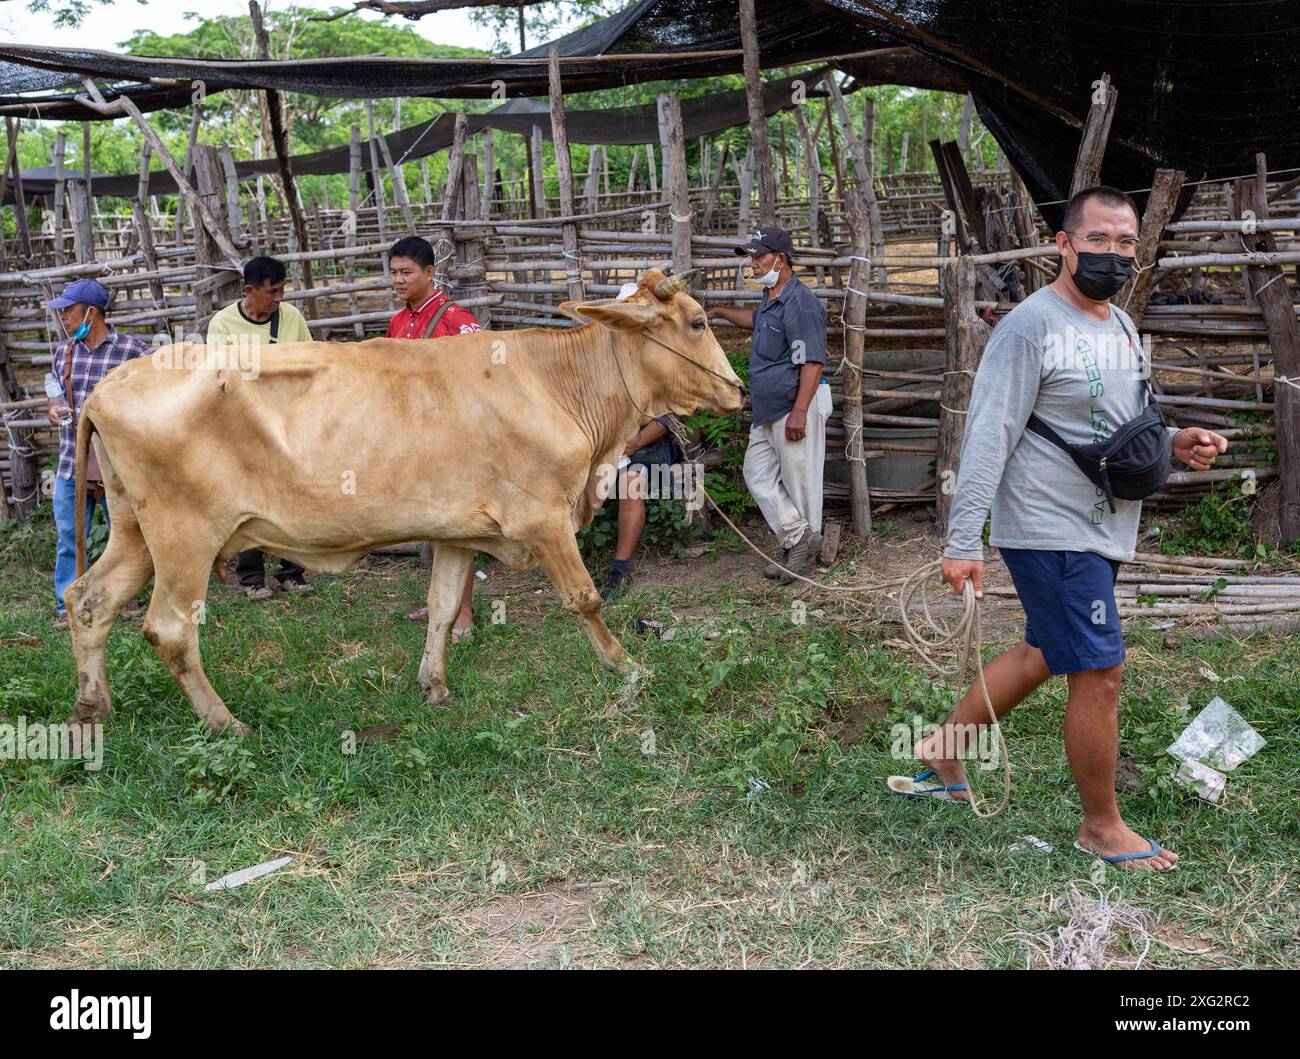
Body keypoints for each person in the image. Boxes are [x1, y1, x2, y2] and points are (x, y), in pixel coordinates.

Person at [926, 185, 1228, 872]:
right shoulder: (1029, 327)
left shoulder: (1117, 324)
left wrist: (1177, 439)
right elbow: (987, 435)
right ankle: (1101, 826)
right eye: (1098, 240)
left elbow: (1119, 421)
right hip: (1050, 526)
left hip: (1102, 524)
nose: (1114, 254)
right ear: (1063, 244)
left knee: (1041, 650)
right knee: (1099, 670)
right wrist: (962, 541)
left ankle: (944, 748)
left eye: (1126, 244)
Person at [710, 226, 831, 583]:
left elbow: (812, 361)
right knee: (757, 473)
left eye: (759, 257)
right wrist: (718, 310)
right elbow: (755, 321)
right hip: (768, 409)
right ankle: (799, 539)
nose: (753, 264)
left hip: (794, 406)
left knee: (799, 482)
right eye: (751, 257)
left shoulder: (800, 302)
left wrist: (798, 411)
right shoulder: (771, 298)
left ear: (781, 259)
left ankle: (802, 556)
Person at [387, 236, 483, 641]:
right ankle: (438, 602)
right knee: (432, 524)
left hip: (453, 440)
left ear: (429, 273)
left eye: (406, 272)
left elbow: (484, 381)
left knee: (458, 526)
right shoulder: (397, 322)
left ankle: (464, 612)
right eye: (393, 272)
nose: (397, 280)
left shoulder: (457, 321)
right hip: (414, 440)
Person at [206, 255, 316, 600]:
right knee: (249, 499)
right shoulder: (222, 324)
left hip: (288, 423)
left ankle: (292, 572)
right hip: (244, 426)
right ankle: (252, 578)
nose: (279, 298)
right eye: (273, 291)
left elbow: (310, 363)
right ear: (249, 290)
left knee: (291, 496)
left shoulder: (292, 318)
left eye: (282, 290)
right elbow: (223, 376)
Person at [45, 279, 149, 628]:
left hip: (118, 465)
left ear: (92, 312)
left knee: (128, 534)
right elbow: (56, 395)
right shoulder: (64, 353)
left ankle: (125, 597)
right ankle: (68, 606)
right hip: (72, 461)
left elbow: (152, 400)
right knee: (69, 537)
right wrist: (54, 407)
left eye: (70, 312)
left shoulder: (132, 350)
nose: (65, 319)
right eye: (62, 313)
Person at [600, 416, 678, 600]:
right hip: (600, 441)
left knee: (630, 485)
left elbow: (667, 417)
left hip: (645, 444)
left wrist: (635, 444)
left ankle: (619, 570)